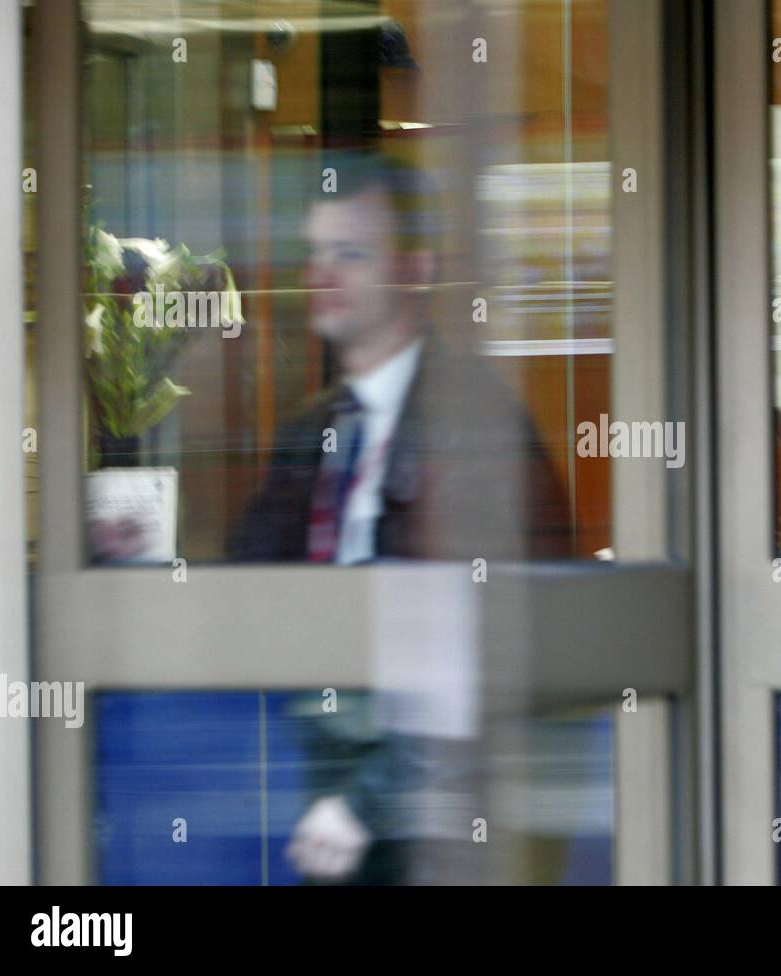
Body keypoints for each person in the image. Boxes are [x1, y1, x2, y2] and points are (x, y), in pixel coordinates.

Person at [229, 153, 571, 883]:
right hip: (325, 782)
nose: (320, 274)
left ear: (415, 270)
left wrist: (364, 803)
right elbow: (248, 586)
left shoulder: (476, 425)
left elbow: (485, 647)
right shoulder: (309, 431)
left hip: (438, 812)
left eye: (349, 254)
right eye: (313, 252)